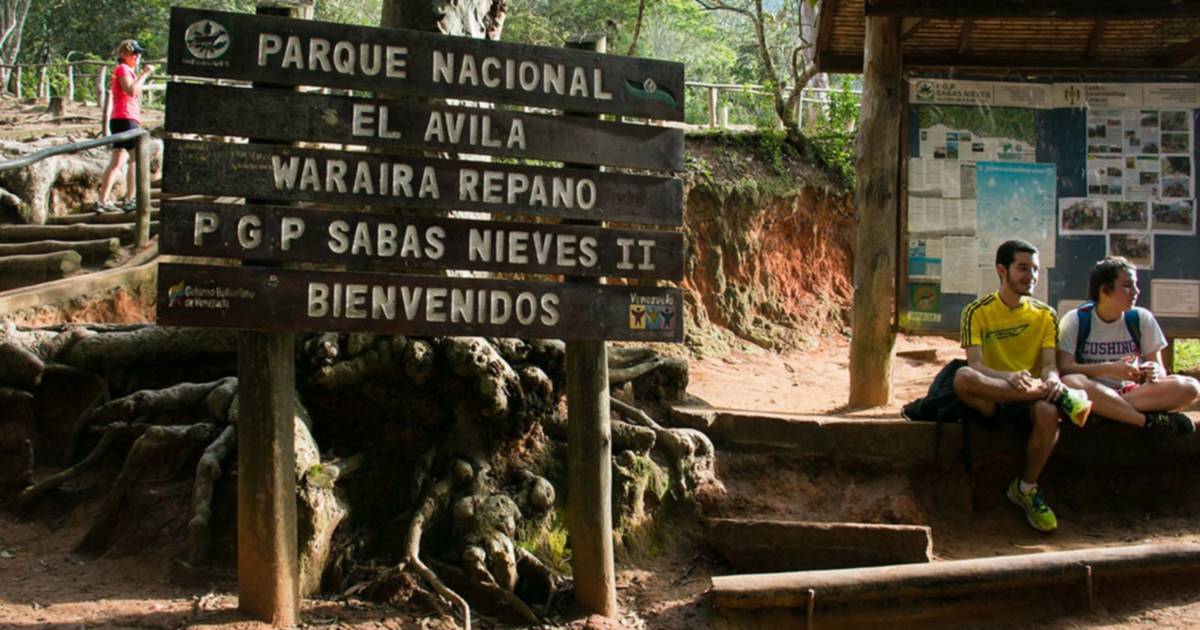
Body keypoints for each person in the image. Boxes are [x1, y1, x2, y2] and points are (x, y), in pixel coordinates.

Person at [952, 239, 1091, 533]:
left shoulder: (1045, 314)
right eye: (1023, 268)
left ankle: (1026, 488)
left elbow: (1051, 365)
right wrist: (1009, 376)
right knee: (963, 378)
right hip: (994, 396)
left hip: (1030, 398)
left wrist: (1051, 380)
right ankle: (1058, 396)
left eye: (1035, 269)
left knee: (1047, 413)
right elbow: (975, 365)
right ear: (1002, 270)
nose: (1031, 276)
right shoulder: (976, 311)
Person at [1057, 257, 1198, 433]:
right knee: (1071, 381)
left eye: (1135, 285)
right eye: (1127, 285)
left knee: (1190, 387)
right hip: (1092, 390)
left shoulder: (1140, 318)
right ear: (1105, 290)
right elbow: (1064, 368)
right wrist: (1108, 369)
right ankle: (1145, 421)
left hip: (1131, 394)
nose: (1136, 291)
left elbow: (1159, 369)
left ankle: (1104, 411)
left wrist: (1153, 370)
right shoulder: (1076, 319)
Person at [97, 39, 155, 213]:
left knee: (118, 161)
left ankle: (103, 200)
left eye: (138, 53)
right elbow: (131, 90)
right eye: (133, 53)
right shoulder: (123, 69)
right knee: (136, 159)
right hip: (125, 118)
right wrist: (145, 74)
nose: (137, 57)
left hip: (123, 118)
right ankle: (130, 198)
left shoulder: (128, 70)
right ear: (123, 54)